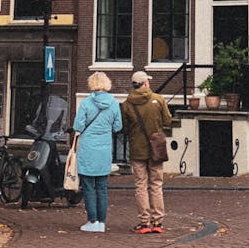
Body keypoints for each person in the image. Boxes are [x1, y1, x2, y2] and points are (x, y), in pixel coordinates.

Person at [121, 70, 173, 234]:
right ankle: (158, 222)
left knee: (140, 185)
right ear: (145, 83)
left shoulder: (127, 104)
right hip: (156, 148)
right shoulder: (158, 99)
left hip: (137, 148)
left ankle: (144, 222)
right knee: (156, 185)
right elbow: (168, 120)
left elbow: (125, 127)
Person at [71, 71, 122, 233]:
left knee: (88, 186)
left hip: (87, 148)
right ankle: (102, 222)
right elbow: (118, 127)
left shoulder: (86, 103)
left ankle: (92, 221)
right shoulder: (114, 103)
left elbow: (78, 126)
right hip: (104, 149)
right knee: (102, 186)